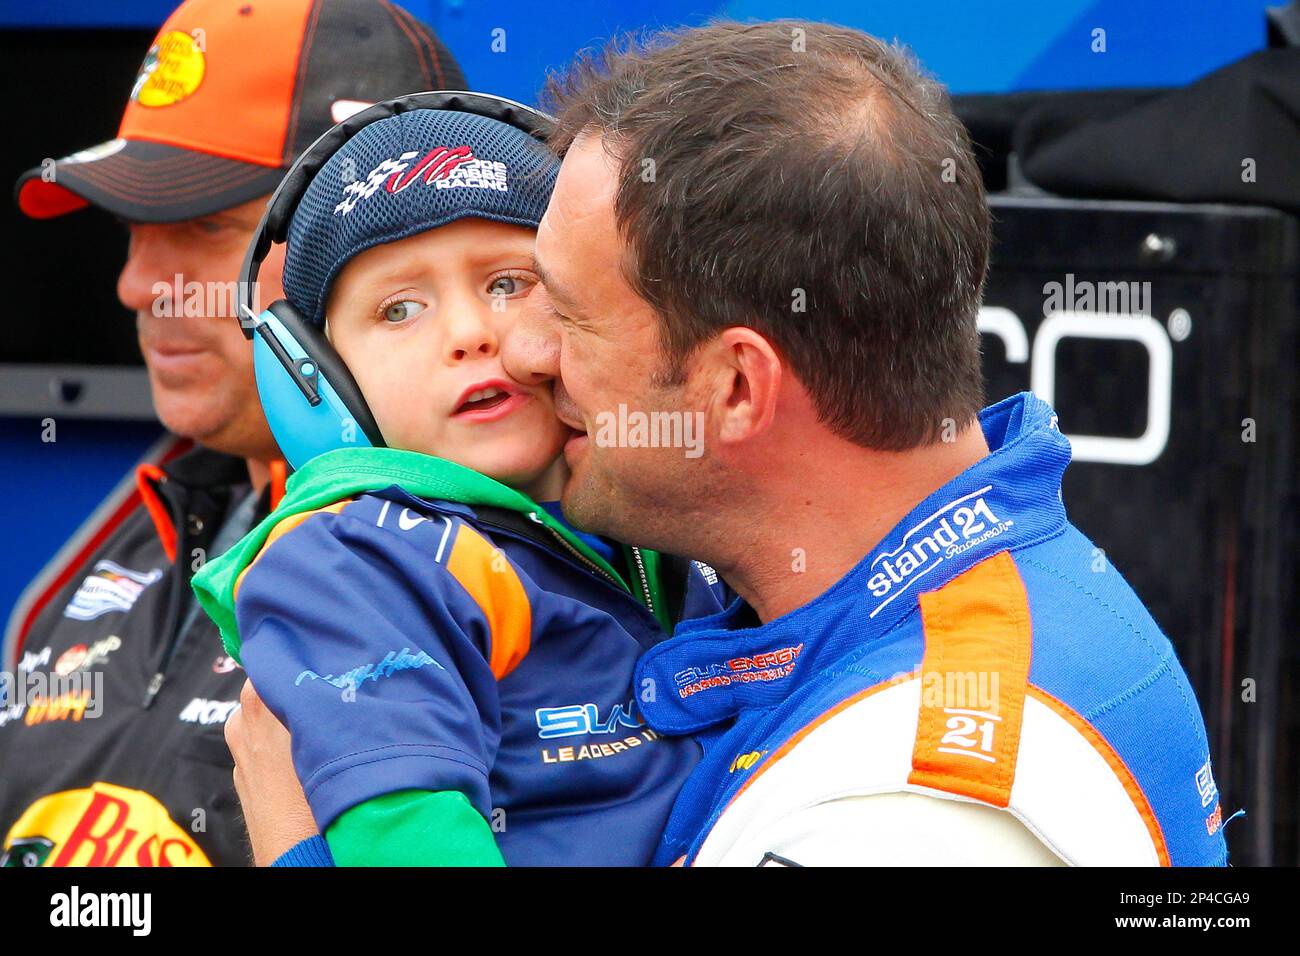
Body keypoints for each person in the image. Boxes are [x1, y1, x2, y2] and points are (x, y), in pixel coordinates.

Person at [500, 21, 1227, 865]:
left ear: (736, 386)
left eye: (570, 314)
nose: (522, 354)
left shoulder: (904, 805)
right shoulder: (975, 588)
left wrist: (307, 804)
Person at [190, 102, 727, 866]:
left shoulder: (654, 512)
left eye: (510, 283)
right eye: (399, 309)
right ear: (318, 380)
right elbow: (404, 830)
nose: (468, 332)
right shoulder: (358, 558)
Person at [0, 0, 465, 867]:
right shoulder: (105, 552)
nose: (137, 286)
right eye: (132, 233)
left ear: (381, 240)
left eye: (203, 227)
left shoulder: (492, 582)